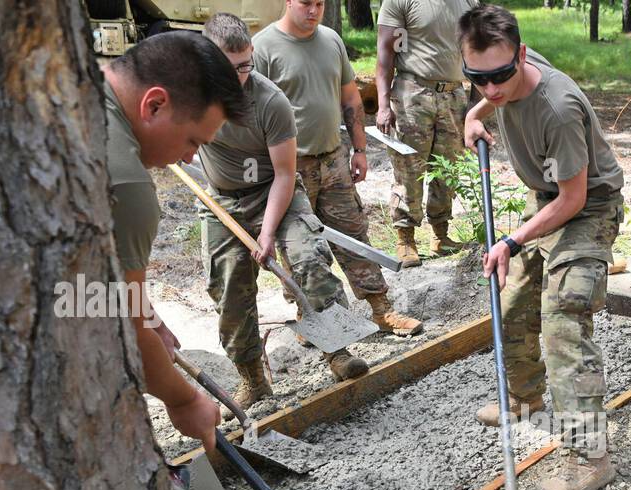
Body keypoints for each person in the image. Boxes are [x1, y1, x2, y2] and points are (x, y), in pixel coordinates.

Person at [460, 4, 624, 490]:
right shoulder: (497, 76)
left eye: (501, 78)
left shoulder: (559, 107)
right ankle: (526, 396)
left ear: (522, 56)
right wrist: (472, 115)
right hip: (547, 202)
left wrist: (512, 240)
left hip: (588, 207)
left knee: (563, 321)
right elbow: (489, 95)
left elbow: (574, 199)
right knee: (511, 304)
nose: (492, 90)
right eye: (477, 78)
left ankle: (589, 455)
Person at [198, 12, 364, 407]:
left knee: (309, 259)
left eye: (246, 65)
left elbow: (286, 175)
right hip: (222, 200)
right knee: (228, 290)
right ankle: (253, 377)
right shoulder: (190, 94)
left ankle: (338, 351)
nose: (241, 76)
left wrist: (268, 232)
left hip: (276, 191)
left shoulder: (270, 101)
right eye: (230, 68)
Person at [253, 0, 422, 370]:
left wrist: (360, 148)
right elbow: (253, 112)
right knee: (303, 251)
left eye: (319, 3)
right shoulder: (263, 47)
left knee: (355, 237)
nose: (313, 11)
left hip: (334, 160)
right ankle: (312, 317)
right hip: (289, 170)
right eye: (305, 3)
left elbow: (349, 98)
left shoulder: (331, 40)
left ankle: (381, 310)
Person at [101, 31, 250, 449]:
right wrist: (184, 400)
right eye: (192, 142)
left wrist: (149, 319)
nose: (188, 159)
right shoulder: (126, 185)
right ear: (155, 104)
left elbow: (115, 292)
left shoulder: (78, 85)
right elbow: (121, 324)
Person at [375, 0, 478, 267]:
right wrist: (384, 104)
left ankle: (440, 235)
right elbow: (386, 52)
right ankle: (405, 239)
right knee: (409, 167)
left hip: (453, 94)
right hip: (413, 93)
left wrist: (475, 108)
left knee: (447, 168)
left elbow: (477, 51)